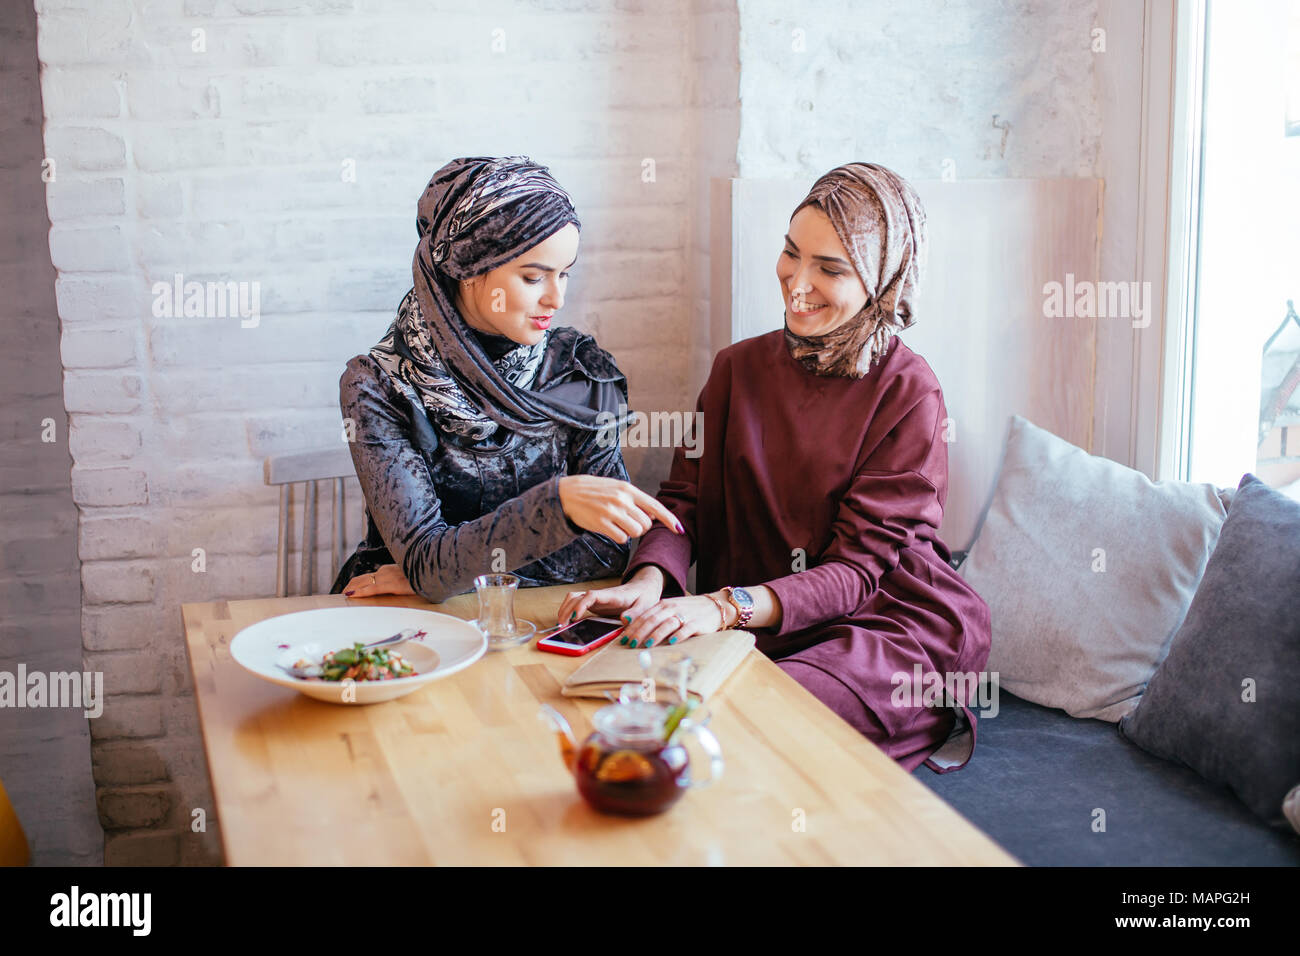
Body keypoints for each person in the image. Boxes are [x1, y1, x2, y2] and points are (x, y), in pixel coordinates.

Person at [557, 162, 992, 773]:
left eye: (831, 268)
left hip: (880, 626)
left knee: (750, 721)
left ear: (880, 280)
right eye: (792, 252)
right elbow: (684, 502)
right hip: (756, 614)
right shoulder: (737, 369)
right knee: (635, 708)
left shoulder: (909, 393)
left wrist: (722, 607)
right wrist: (646, 583)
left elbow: (856, 573)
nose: (798, 281)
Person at [331, 156, 680, 603]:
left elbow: (607, 552)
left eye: (565, 273)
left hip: (533, 620)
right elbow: (425, 563)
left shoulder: (580, 369)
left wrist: (452, 574)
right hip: (403, 624)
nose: (556, 297)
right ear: (469, 269)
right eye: (534, 276)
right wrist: (558, 508)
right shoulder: (379, 385)